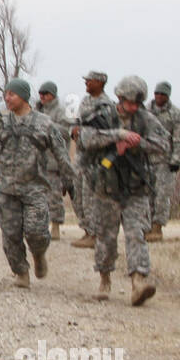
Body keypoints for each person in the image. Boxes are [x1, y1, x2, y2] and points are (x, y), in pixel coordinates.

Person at [76, 75, 169, 305]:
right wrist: (117, 137)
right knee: (106, 238)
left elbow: (164, 146)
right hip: (106, 188)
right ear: (120, 98)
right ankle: (104, 279)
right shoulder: (103, 116)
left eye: (138, 103)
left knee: (136, 234)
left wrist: (137, 144)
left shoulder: (145, 120)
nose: (134, 107)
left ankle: (138, 282)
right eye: (129, 102)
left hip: (136, 189)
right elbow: (85, 139)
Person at [0, 79, 75, 289]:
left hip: (35, 188)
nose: (7, 98)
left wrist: (69, 179)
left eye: (12, 94)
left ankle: (38, 254)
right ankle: (21, 272)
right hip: (6, 188)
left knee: (36, 232)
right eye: (6, 94)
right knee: (10, 234)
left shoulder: (44, 123)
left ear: (24, 97)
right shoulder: (1, 122)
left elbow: (61, 153)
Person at [71, 71, 114, 249]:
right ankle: (87, 230)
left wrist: (84, 133)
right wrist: (74, 130)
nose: (86, 83)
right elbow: (76, 122)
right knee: (77, 194)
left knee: (90, 196)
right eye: (86, 80)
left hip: (96, 158)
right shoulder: (85, 101)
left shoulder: (106, 105)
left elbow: (106, 133)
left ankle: (95, 233)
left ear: (100, 82)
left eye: (90, 80)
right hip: (81, 155)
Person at [145, 81, 180, 242]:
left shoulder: (175, 115)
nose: (159, 97)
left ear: (168, 96)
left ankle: (157, 227)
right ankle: (146, 226)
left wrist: (176, 159)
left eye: (162, 94)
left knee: (162, 195)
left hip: (164, 162)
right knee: (145, 195)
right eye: (157, 94)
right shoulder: (145, 111)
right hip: (145, 160)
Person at [35, 80, 75, 240]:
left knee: (54, 196)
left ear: (53, 95)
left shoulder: (61, 112)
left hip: (53, 160)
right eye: (40, 94)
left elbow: (66, 132)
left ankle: (56, 226)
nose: (42, 97)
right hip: (37, 160)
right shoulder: (36, 110)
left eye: (45, 94)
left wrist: (47, 126)